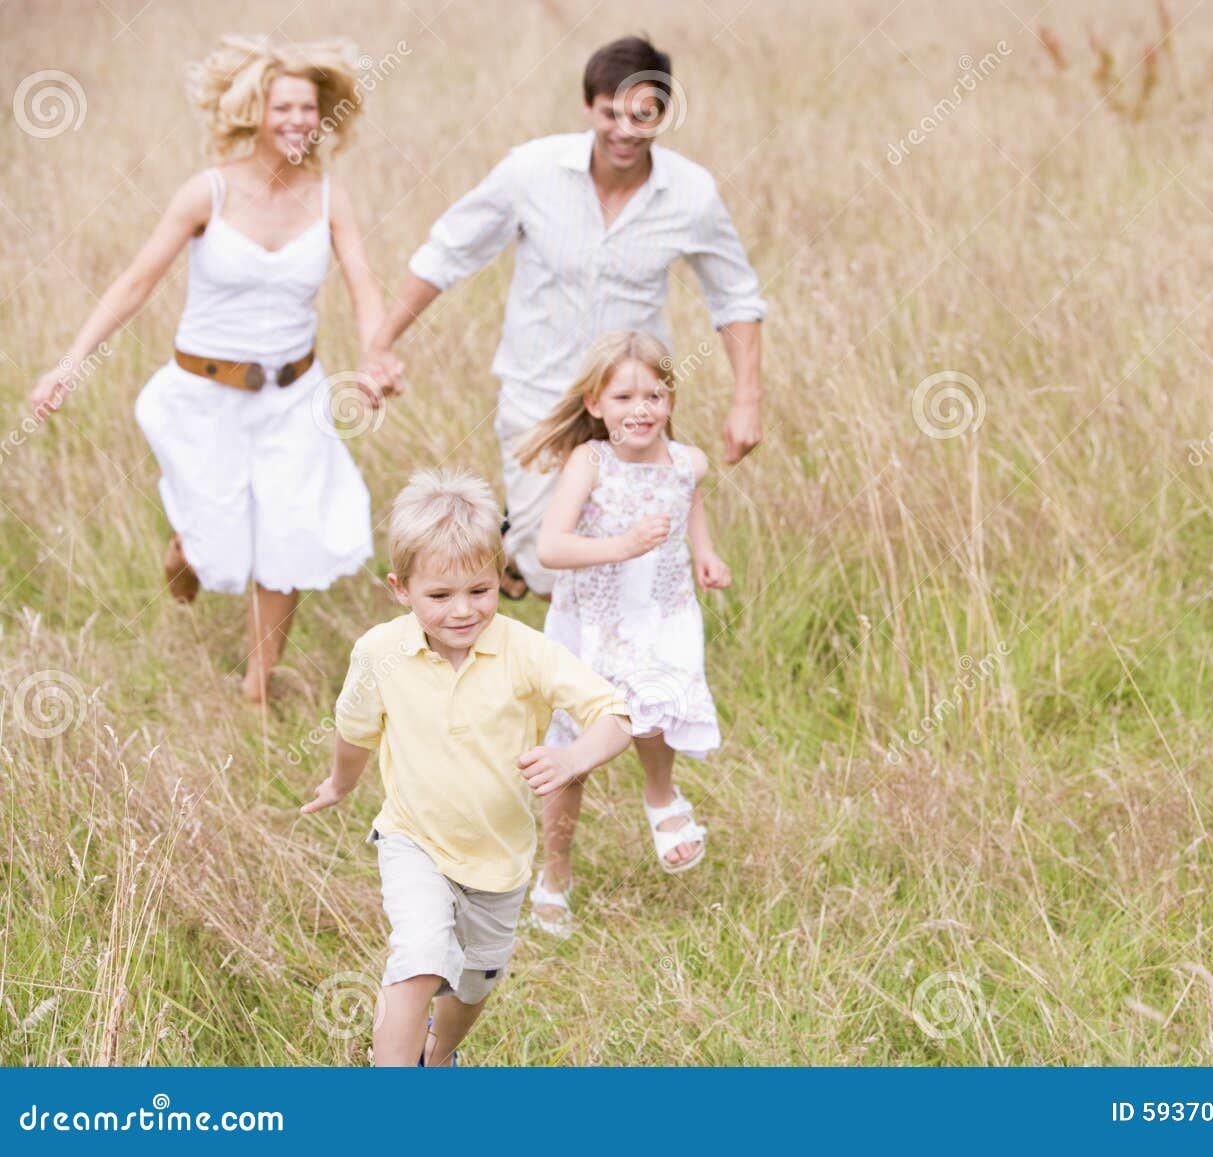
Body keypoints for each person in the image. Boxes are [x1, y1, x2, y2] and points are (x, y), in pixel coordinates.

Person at [27, 35, 400, 702]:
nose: (297, 121)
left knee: (286, 539)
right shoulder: (210, 192)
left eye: (308, 109)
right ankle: (186, 547)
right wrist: (67, 366)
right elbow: (135, 283)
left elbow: (365, 289)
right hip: (203, 396)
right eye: (282, 107)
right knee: (213, 548)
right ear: (253, 112)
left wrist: (376, 357)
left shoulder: (328, 197)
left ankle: (257, 689)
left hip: (293, 396)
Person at [360, 35, 765, 603]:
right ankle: (520, 557)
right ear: (589, 107)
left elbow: (736, 296)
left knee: (625, 552)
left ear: (664, 114)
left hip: (632, 402)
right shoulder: (532, 170)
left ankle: (598, 679)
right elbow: (449, 252)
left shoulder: (691, 194)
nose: (624, 130)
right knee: (547, 553)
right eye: (611, 113)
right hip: (539, 393)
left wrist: (747, 398)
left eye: (642, 115)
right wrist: (381, 344)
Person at [301, 468, 632, 1066]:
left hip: (498, 860)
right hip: (414, 838)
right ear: (401, 589)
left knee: (474, 983)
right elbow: (355, 733)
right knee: (419, 957)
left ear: (500, 579)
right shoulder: (380, 651)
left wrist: (570, 757)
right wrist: (339, 784)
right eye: (440, 595)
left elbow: (614, 714)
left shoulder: (526, 652)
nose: (462, 611)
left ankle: (438, 1053)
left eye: (478, 591)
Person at [514, 331, 730, 937]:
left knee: (654, 706)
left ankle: (661, 797)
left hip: (662, 613)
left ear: (671, 400)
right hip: (594, 621)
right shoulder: (590, 462)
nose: (641, 408)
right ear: (594, 405)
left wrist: (706, 554)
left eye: (655, 395)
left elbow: (689, 503)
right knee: (571, 764)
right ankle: (555, 872)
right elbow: (551, 547)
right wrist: (622, 546)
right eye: (624, 396)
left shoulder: (688, 462)